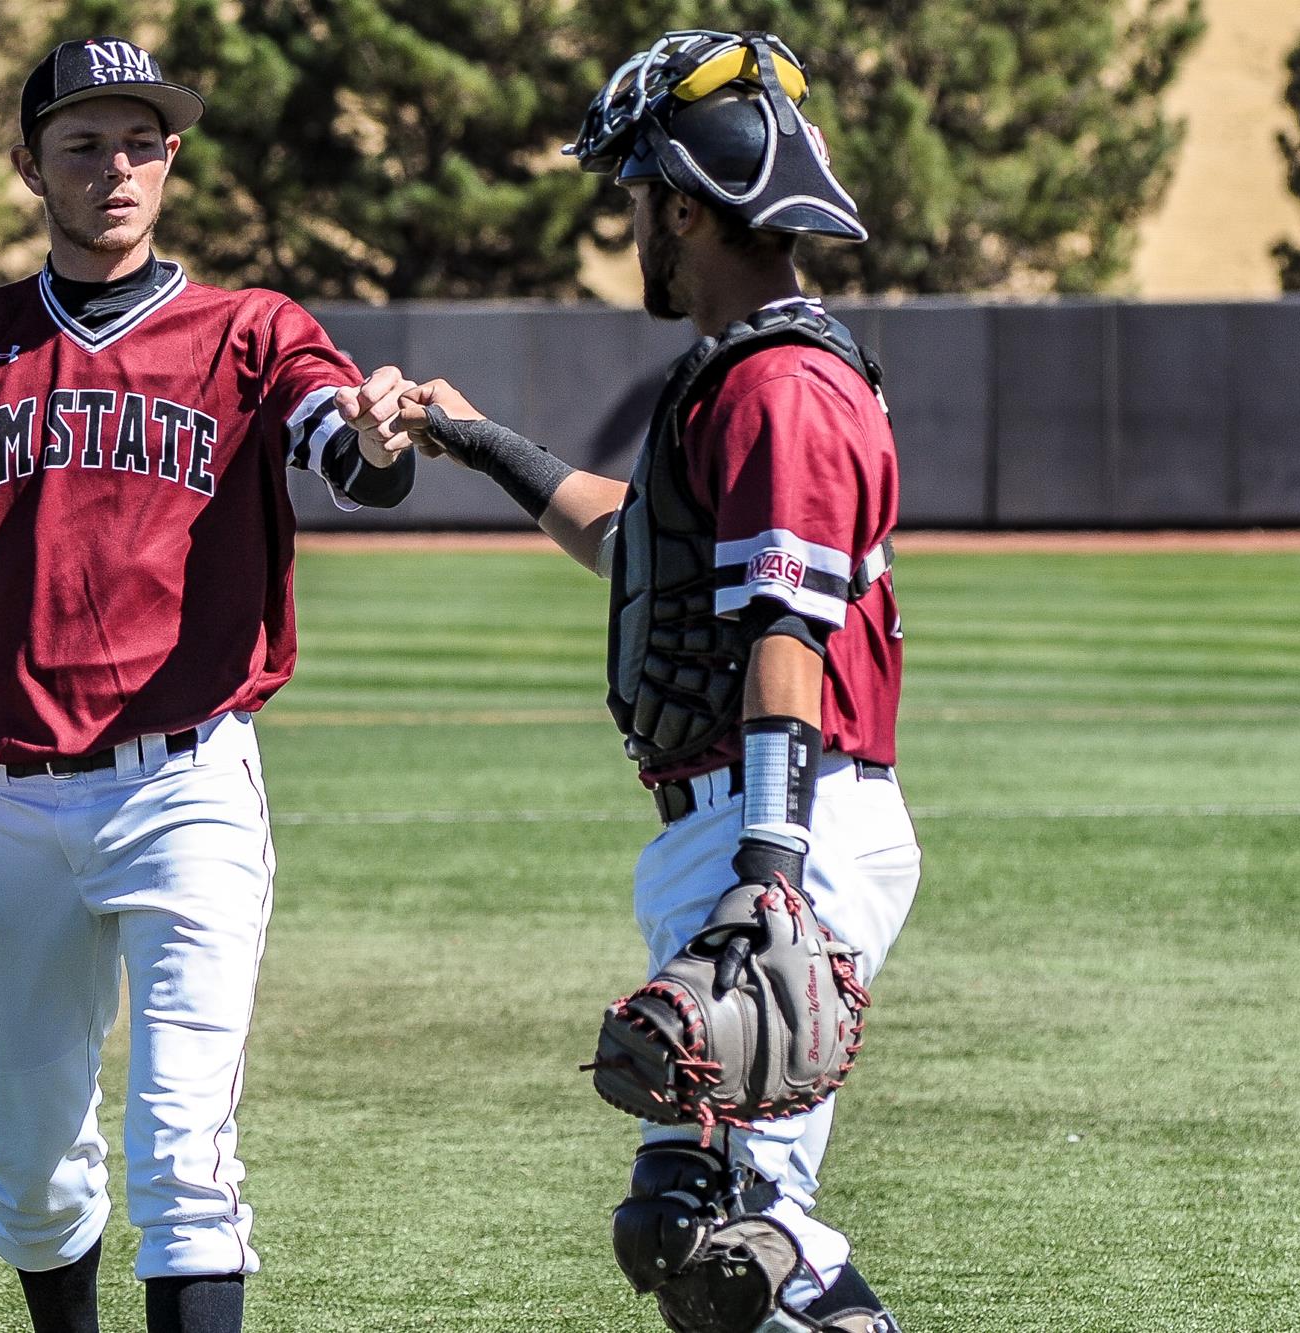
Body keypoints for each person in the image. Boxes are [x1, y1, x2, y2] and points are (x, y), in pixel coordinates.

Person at [0, 36, 415, 1333]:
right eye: (83, 144)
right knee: (33, 1175)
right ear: (29, 165)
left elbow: (349, 450)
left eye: (141, 141)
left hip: (187, 786)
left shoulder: (251, 332)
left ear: (173, 159)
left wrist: (372, 437)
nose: (117, 167)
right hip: (15, 805)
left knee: (184, 1161)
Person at [339, 30, 918, 1333]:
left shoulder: (783, 386)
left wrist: (767, 875)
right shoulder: (738, 378)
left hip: (782, 830)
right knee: (700, 1233)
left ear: (687, 204)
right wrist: (481, 443)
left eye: (638, 196)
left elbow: (788, 634)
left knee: (731, 1239)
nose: (632, 226)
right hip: (748, 829)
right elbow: (637, 544)